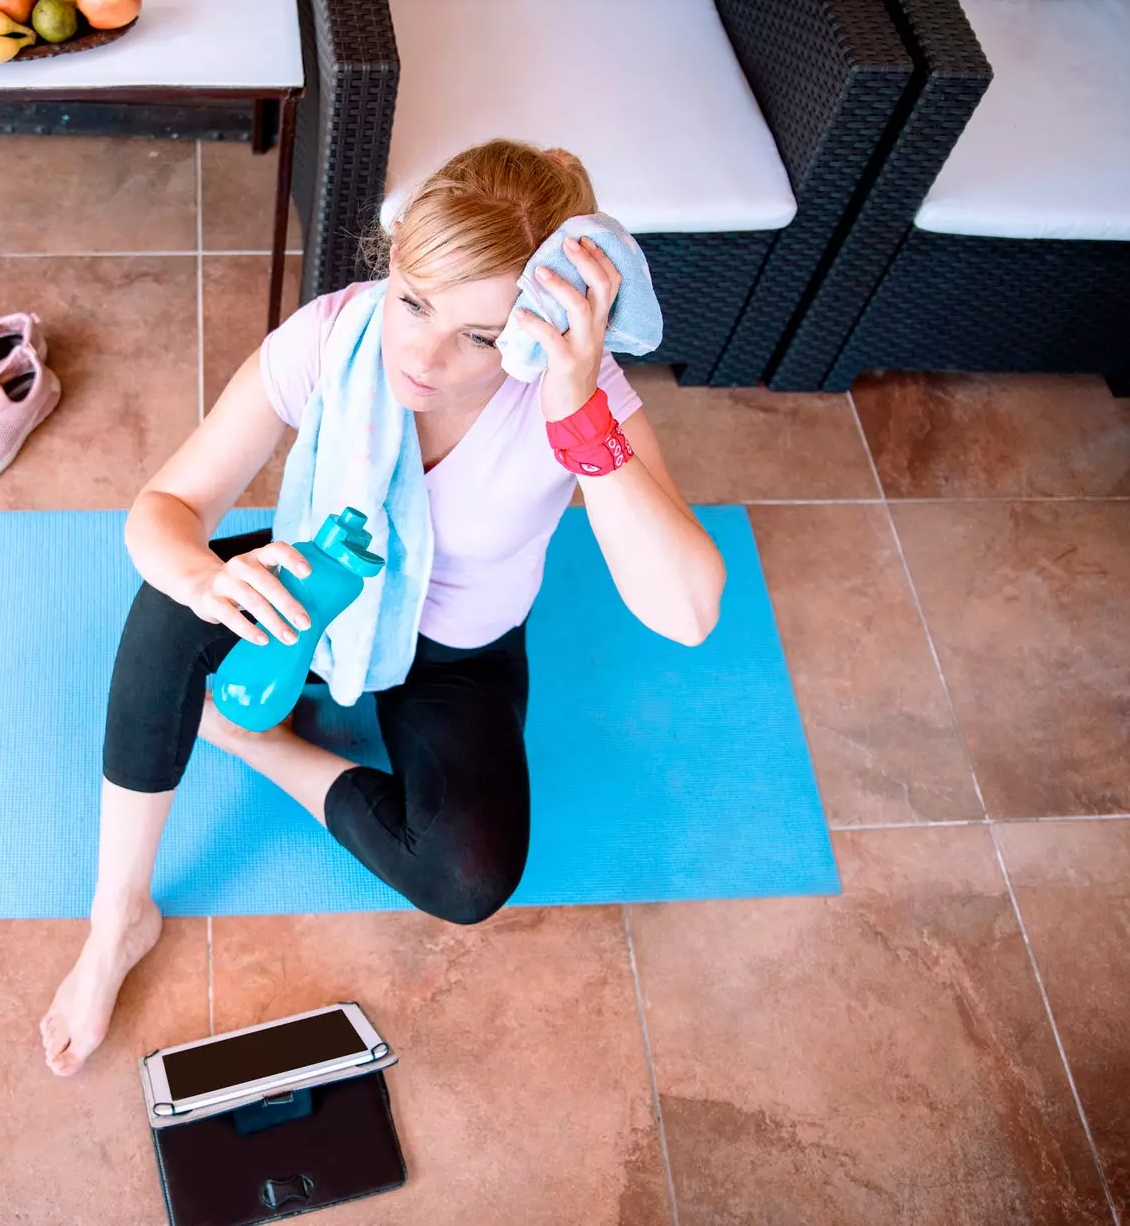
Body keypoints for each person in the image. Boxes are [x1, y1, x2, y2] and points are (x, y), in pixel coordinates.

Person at [40, 139, 727, 1076]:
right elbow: (164, 512)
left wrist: (577, 413)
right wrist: (204, 580)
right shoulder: (336, 333)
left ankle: (251, 740)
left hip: (460, 645)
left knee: (469, 876)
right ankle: (118, 916)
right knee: (167, 606)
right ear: (393, 263)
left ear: (535, 332)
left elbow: (688, 611)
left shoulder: (578, 398)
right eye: (414, 300)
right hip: (322, 594)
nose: (424, 354)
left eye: (481, 336)